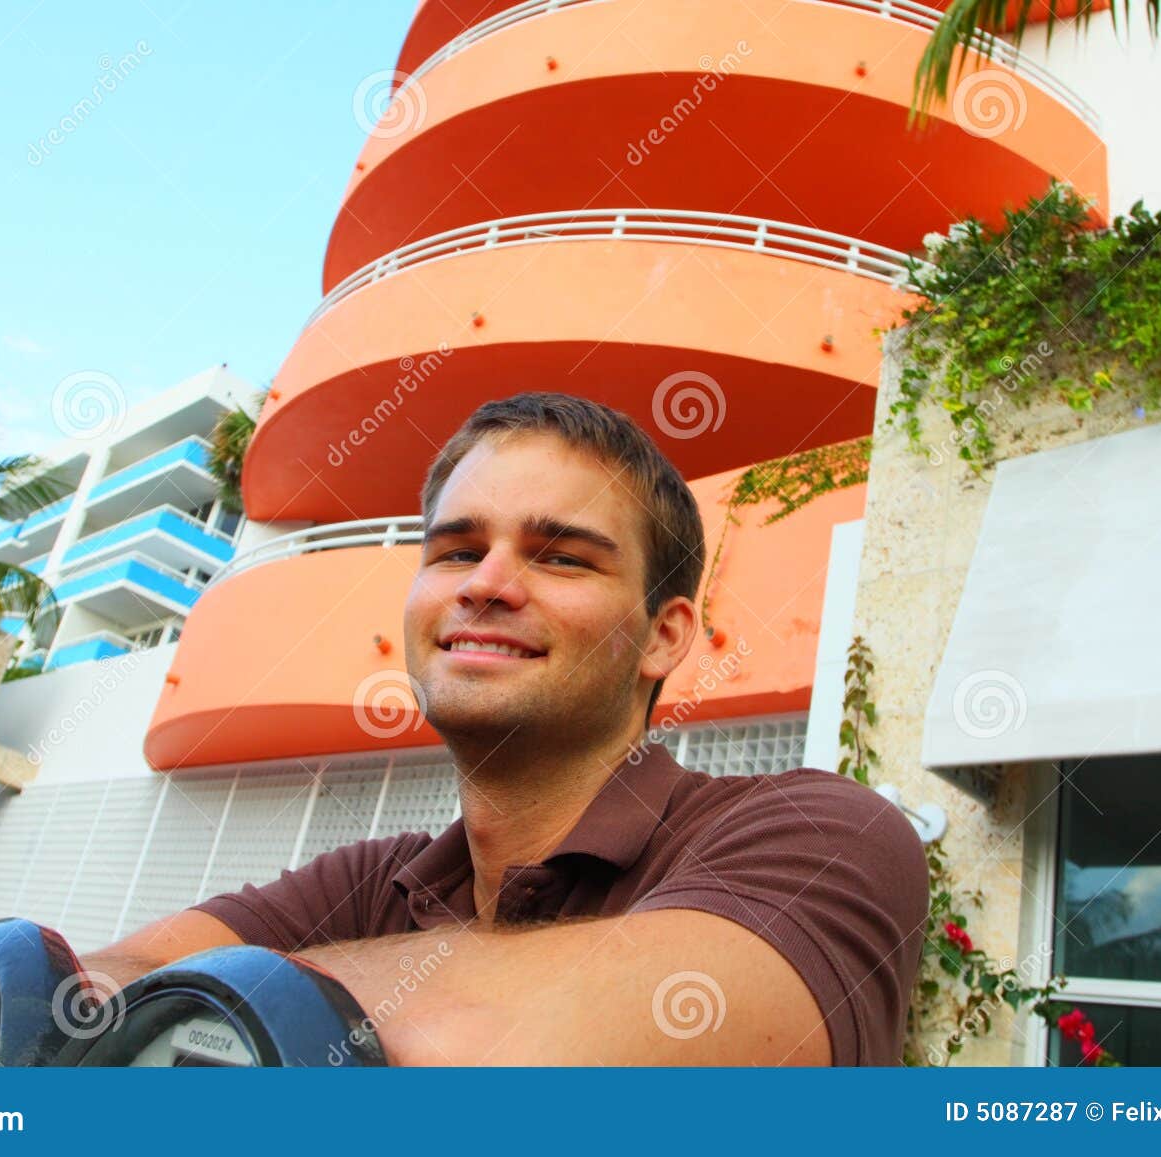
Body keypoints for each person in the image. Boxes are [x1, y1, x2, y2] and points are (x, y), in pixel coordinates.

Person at [81, 392, 929, 1066]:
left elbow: (490, 1046)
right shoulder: (378, 879)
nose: (485, 583)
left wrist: (185, 1010)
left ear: (664, 634)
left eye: (560, 556)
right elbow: (84, 991)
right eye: (454, 550)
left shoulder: (823, 836)